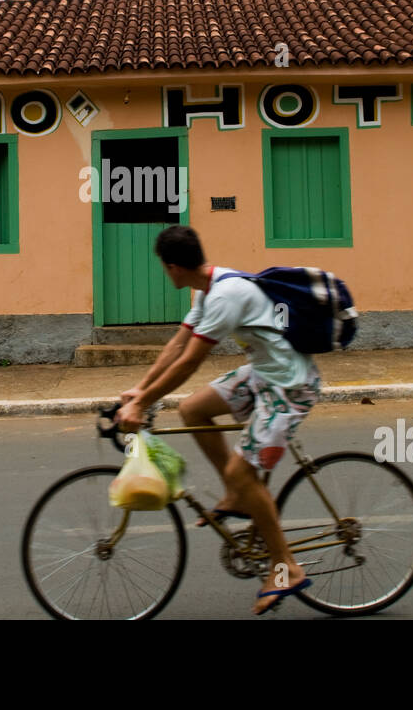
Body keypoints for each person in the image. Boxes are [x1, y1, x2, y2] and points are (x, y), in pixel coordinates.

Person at [115, 224, 321, 615]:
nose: (164, 272)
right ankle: (238, 494)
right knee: (192, 409)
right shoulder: (207, 288)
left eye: (163, 266)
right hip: (264, 374)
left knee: (245, 473)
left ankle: (286, 568)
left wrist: (141, 407)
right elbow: (179, 342)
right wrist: (140, 392)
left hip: (290, 387)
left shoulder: (226, 295)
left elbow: (191, 360)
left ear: (173, 266)